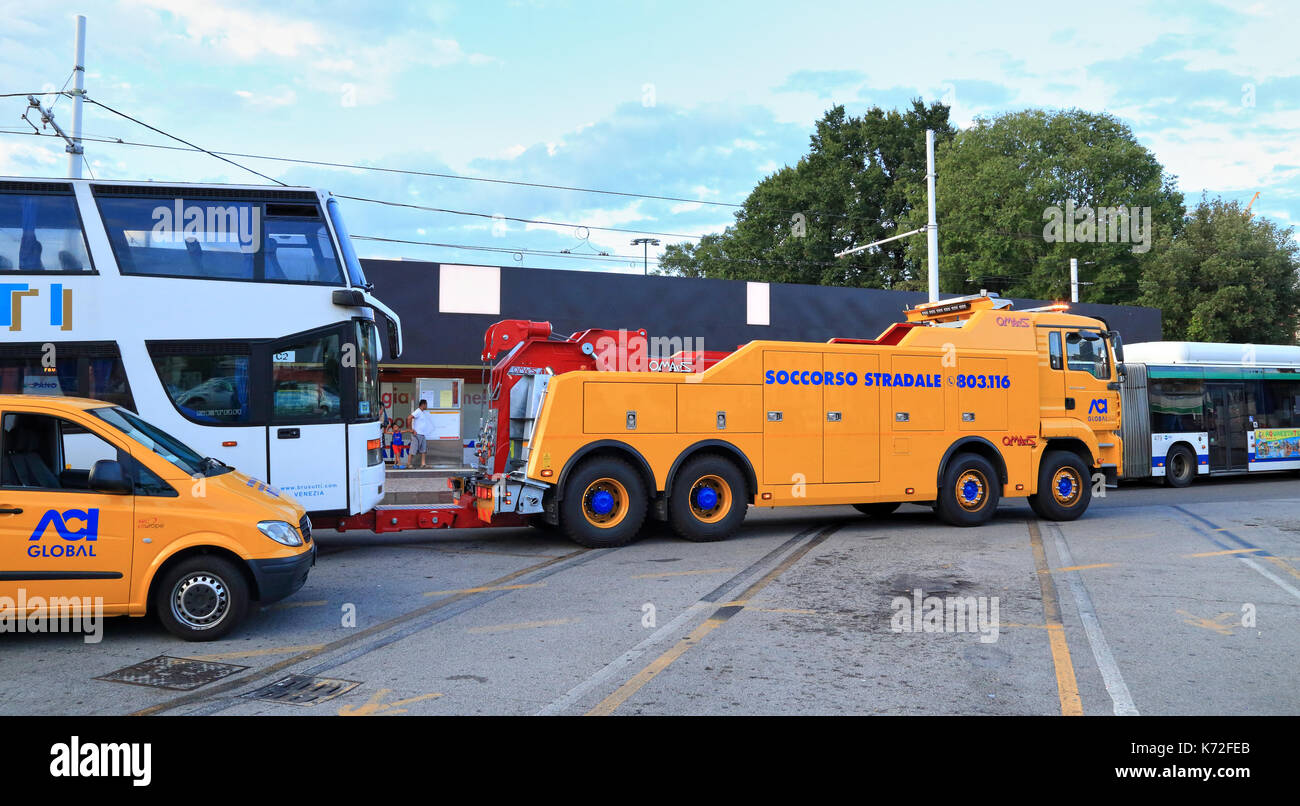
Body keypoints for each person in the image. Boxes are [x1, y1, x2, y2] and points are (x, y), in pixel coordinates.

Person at [408, 399, 434, 469]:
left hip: (422, 434)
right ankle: (409, 464)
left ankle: (423, 464)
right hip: (417, 434)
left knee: (423, 450)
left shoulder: (422, 412)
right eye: (426, 404)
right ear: (423, 405)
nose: (427, 406)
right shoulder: (418, 411)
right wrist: (411, 429)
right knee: (413, 449)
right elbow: (409, 418)